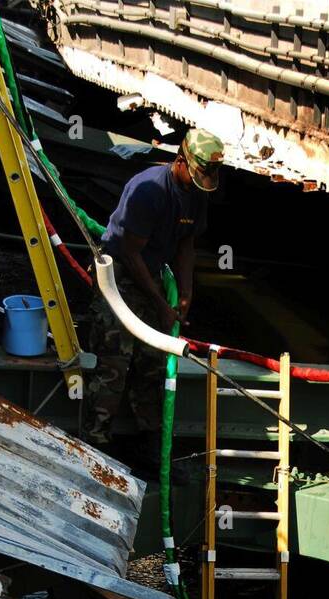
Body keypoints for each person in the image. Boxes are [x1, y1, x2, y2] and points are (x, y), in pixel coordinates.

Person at [85, 128, 224, 464]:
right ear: (180, 161)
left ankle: (149, 446)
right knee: (115, 360)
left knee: (153, 361)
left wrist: (186, 293)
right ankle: (96, 443)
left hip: (151, 272)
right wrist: (161, 304)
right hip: (120, 273)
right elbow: (131, 253)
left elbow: (186, 245)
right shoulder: (148, 190)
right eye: (196, 174)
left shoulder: (196, 195)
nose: (199, 183)